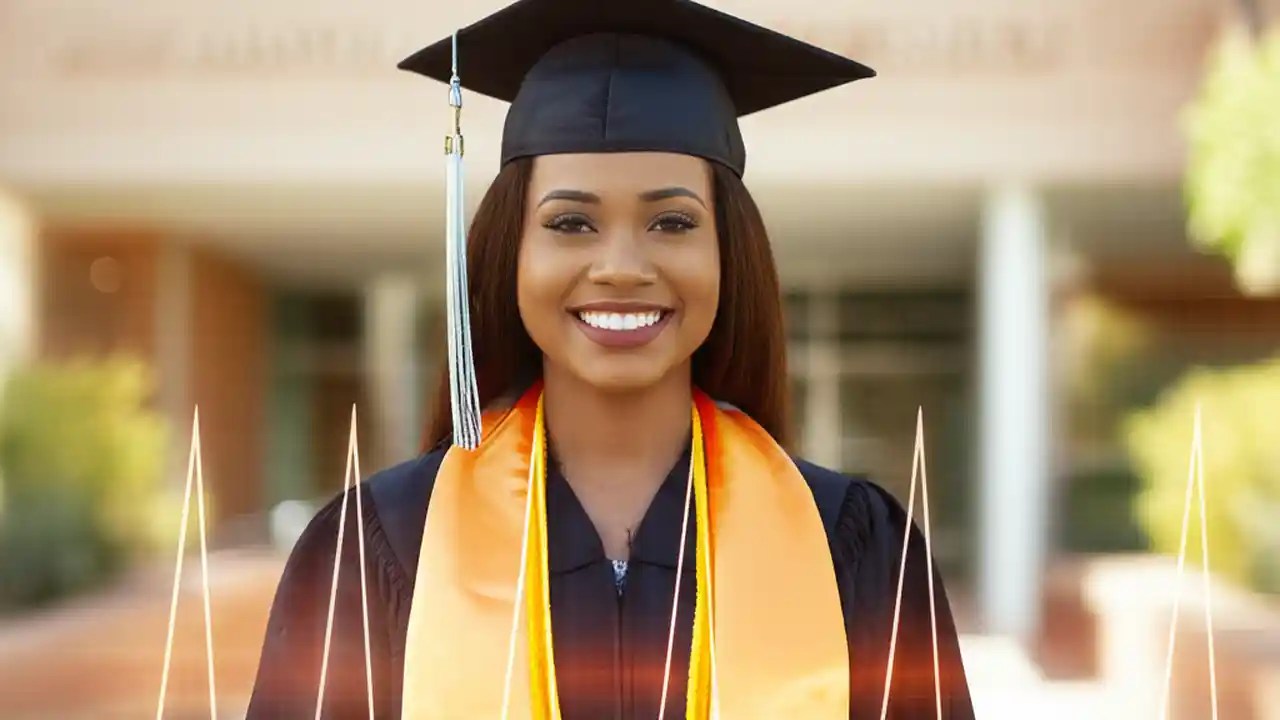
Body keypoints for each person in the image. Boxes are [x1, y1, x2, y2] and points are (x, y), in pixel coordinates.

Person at [247, 0, 974, 717]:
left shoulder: (850, 544)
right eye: (571, 222)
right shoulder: (380, 545)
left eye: (672, 222)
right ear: (509, 254)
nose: (621, 266)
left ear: (729, 251)